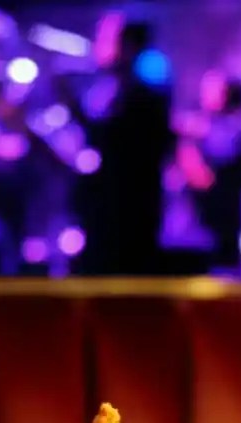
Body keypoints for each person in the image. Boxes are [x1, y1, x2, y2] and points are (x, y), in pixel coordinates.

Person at [63, 13, 174, 275]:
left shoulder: (145, 96)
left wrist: (70, 103)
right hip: (100, 218)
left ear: (129, 44)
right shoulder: (107, 90)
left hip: (124, 222)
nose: (97, 45)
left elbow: (110, 145)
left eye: (105, 38)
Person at [178, 73, 241, 275]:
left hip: (220, 232)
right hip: (189, 232)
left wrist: (190, 146)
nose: (204, 95)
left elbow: (203, 179)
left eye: (213, 89)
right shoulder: (197, 129)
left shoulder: (240, 135)